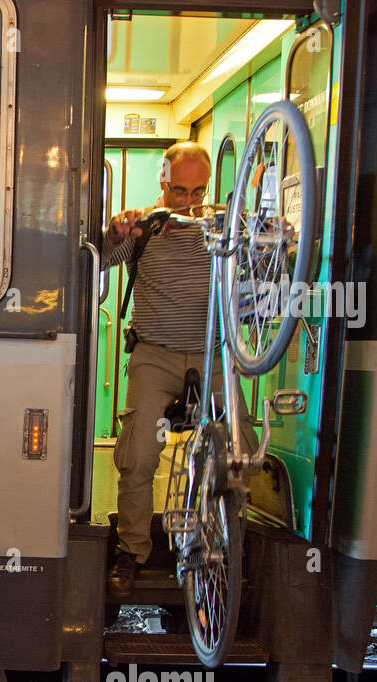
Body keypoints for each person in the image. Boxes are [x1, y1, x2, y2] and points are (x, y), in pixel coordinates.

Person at [101, 141, 256, 599]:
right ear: (163, 184)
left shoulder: (223, 229)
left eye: (199, 191)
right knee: (139, 454)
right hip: (156, 353)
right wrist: (114, 232)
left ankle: (220, 540)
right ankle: (131, 550)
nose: (190, 202)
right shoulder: (144, 228)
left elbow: (255, 272)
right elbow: (102, 258)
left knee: (242, 447)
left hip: (211, 353)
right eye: (180, 192)